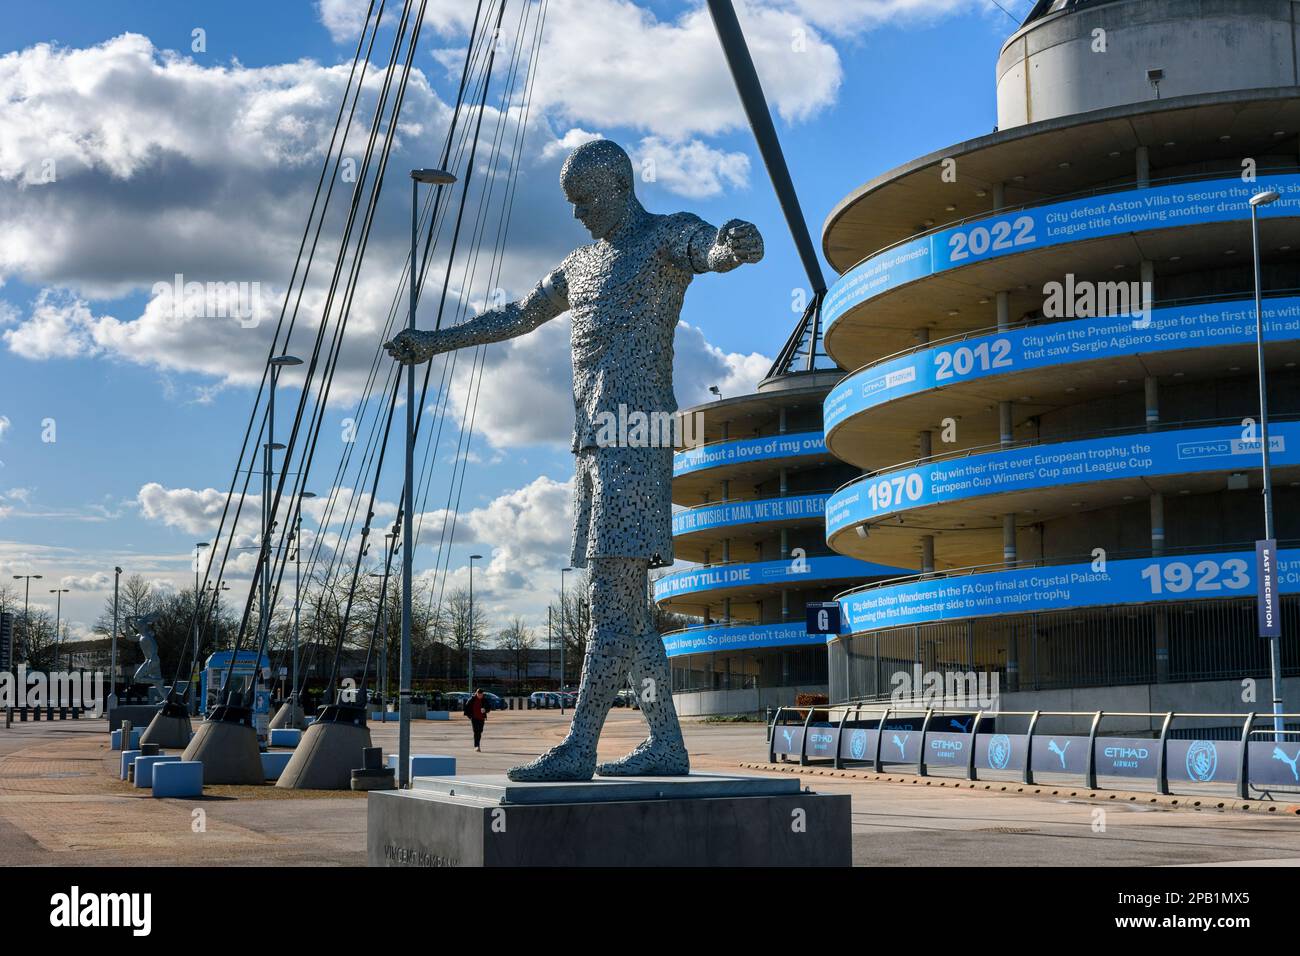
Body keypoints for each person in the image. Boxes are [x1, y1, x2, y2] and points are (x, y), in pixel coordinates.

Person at [387, 139, 763, 781]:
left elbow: (713, 250)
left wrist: (733, 245)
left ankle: (579, 745)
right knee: (628, 612)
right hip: (592, 443)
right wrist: (434, 342)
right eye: (572, 203)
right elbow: (516, 317)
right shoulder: (580, 264)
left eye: (587, 199)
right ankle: (666, 746)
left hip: (635, 436)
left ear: (620, 185)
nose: (580, 213)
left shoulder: (667, 237)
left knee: (607, 604)